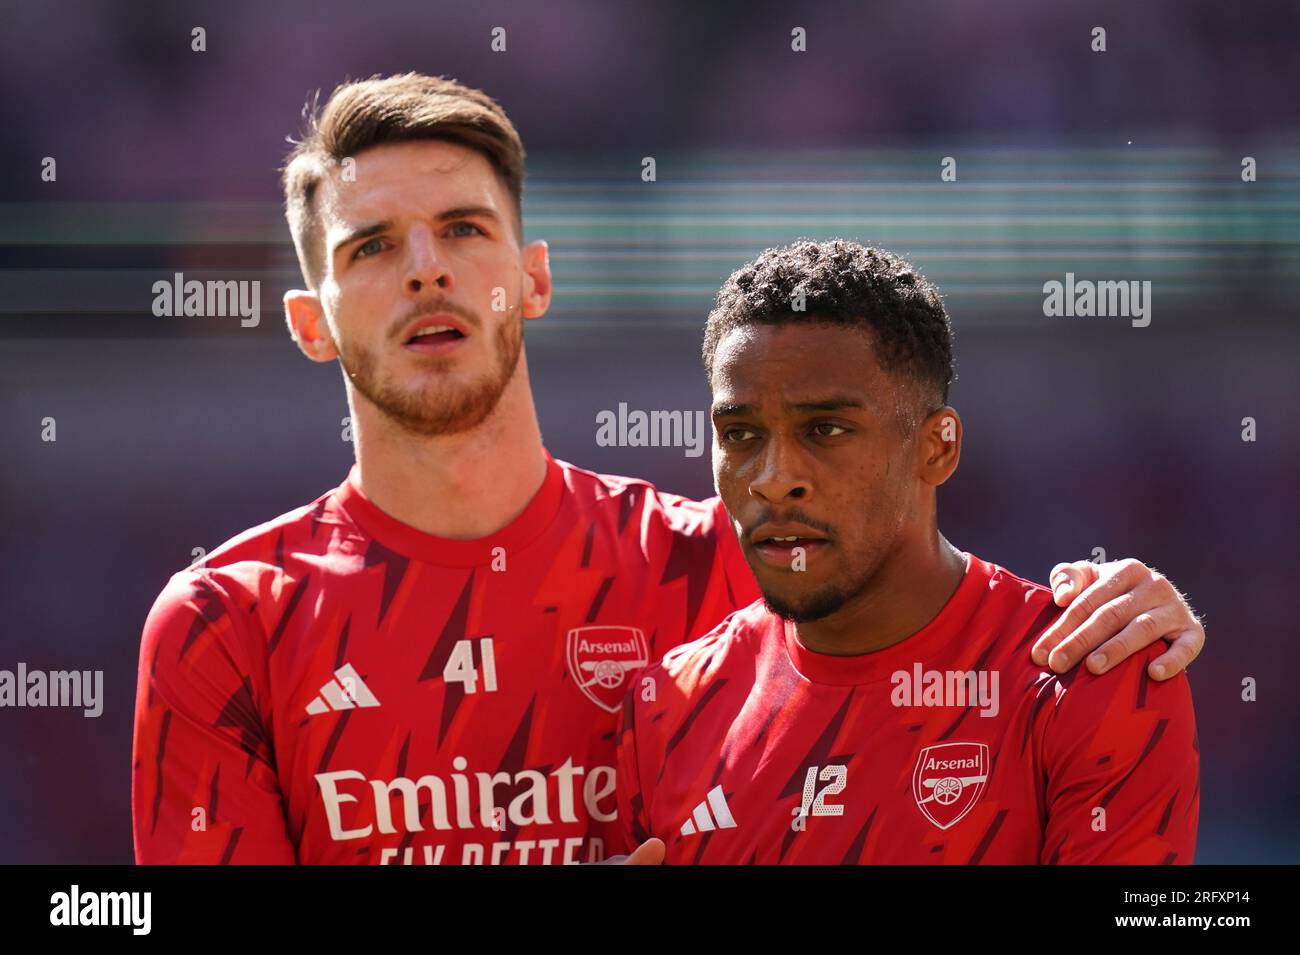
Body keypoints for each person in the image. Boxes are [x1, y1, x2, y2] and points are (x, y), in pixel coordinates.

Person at [131, 74, 1204, 865]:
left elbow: (945, 635)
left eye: (464, 227)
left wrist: (1112, 614)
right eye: (371, 247)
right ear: (312, 323)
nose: (427, 267)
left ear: (532, 278)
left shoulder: (728, 567)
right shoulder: (227, 624)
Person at [615, 240, 1198, 864]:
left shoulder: (1091, 678)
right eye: (740, 435)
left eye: (826, 429)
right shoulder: (665, 707)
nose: (774, 477)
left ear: (937, 447)